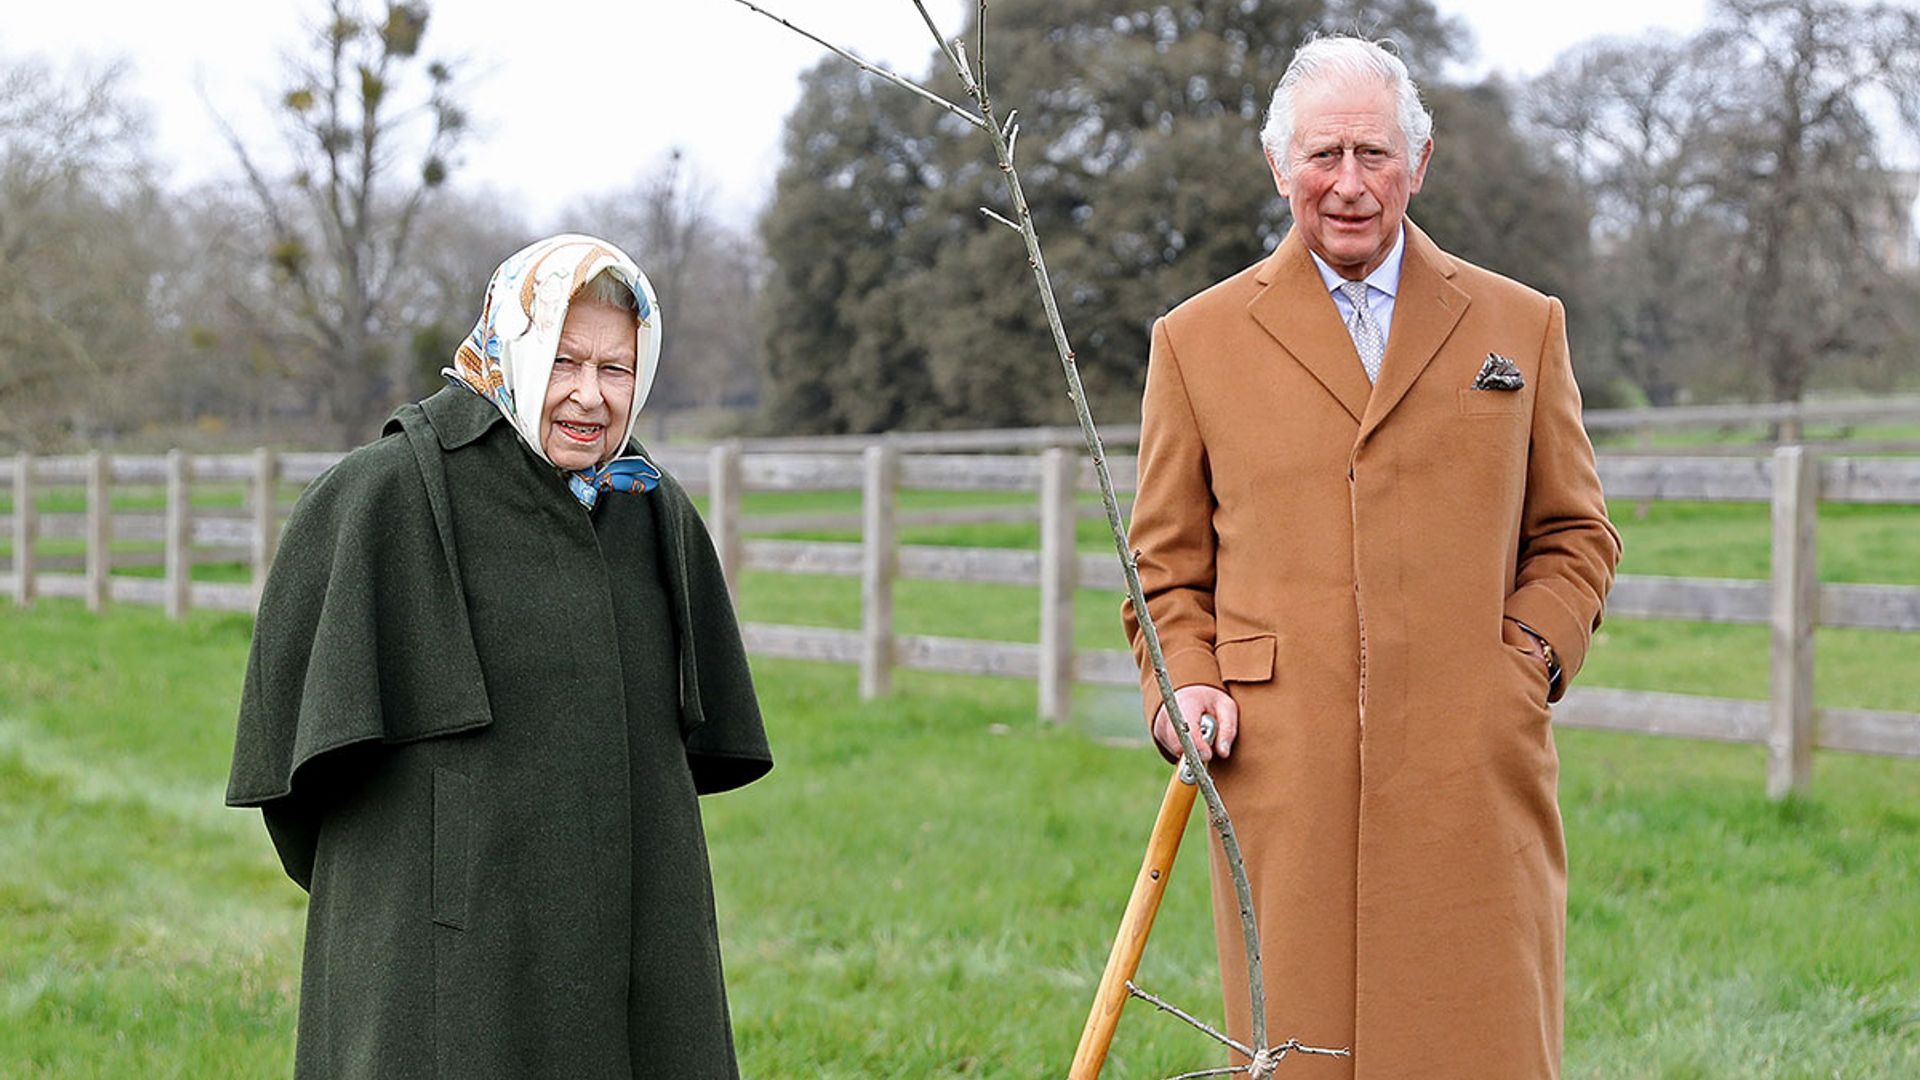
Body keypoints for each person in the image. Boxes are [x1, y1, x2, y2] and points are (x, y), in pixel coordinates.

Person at [1122, 36, 1621, 1080]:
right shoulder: (1195, 340)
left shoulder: (1519, 327)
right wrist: (1189, 685)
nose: (1348, 186)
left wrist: (1520, 663)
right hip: (1282, 778)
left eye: (1374, 155)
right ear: (1278, 166)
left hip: (1470, 773)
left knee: (1479, 1046)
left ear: (1420, 163)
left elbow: (1576, 532)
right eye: (1323, 156)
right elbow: (1164, 569)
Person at [227, 233, 772, 1079]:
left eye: (615, 369)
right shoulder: (382, 497)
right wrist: (436, 888)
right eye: (563, 359)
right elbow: (301, 793)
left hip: (634, 951)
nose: (589, 396)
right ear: (511, 345)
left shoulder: (653, 514)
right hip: (445, 967)